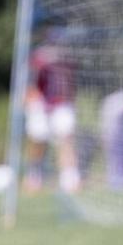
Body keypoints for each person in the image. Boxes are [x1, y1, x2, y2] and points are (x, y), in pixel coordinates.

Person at [22, 22, 80, 194]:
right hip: (40, 103)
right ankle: (34, 175)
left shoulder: (68, 58)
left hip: (61, 103)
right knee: (38, 140)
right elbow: (31, 81)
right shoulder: (39, 57)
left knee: (66, 138)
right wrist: (32, 100)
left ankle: (69, 178)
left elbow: (70, 82)